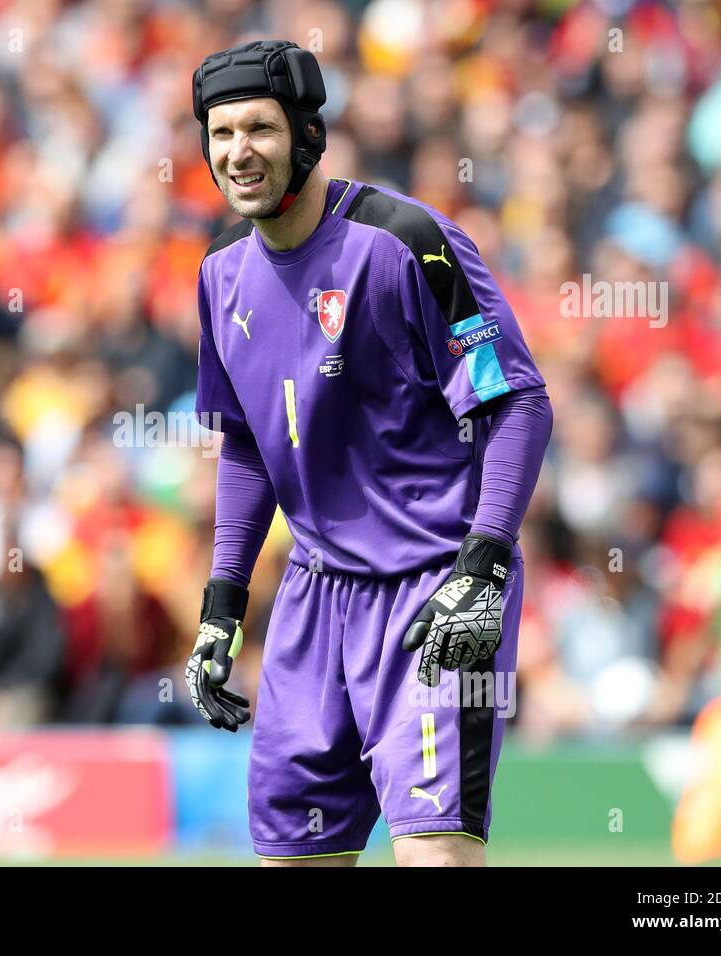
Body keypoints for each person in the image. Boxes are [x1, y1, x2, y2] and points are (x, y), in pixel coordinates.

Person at [184, 41, 553, 867]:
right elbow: (247, 442)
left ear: (307, 137)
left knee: (433, 856)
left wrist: (485, 563)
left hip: (436, 586)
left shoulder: (407, 243)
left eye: (260, 129)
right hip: (313, 602)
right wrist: (222, 607)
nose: (238, 151)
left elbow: (518, 399)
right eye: (221, 133)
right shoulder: (218, 277)